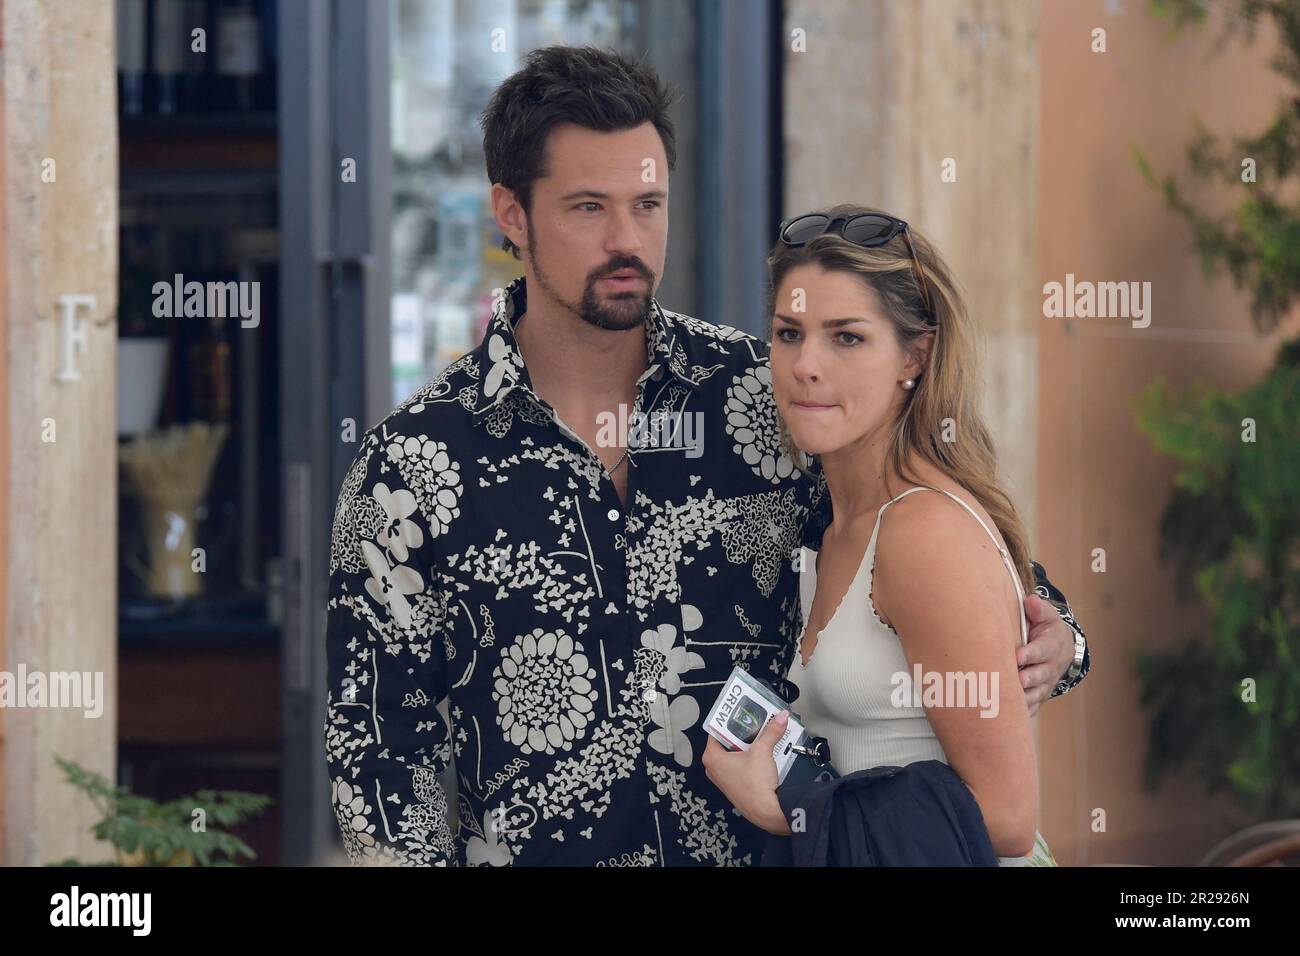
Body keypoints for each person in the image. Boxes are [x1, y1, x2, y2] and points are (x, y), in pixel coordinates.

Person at [324, 47, 1087, 866]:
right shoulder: (412, 471)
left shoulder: (765, 399)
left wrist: (1061, 641)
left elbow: (948, 556)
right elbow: (380, 766)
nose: (627, 240)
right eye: (588, 208)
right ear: (511, 214)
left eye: (647, 204)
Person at [702, 206, 1060, 864]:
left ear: (915, 356)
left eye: (846, 338)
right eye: (788, 333)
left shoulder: (923, 533)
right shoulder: (843, 526)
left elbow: (1005, 819)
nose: (806, 364)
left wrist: (782, 810)